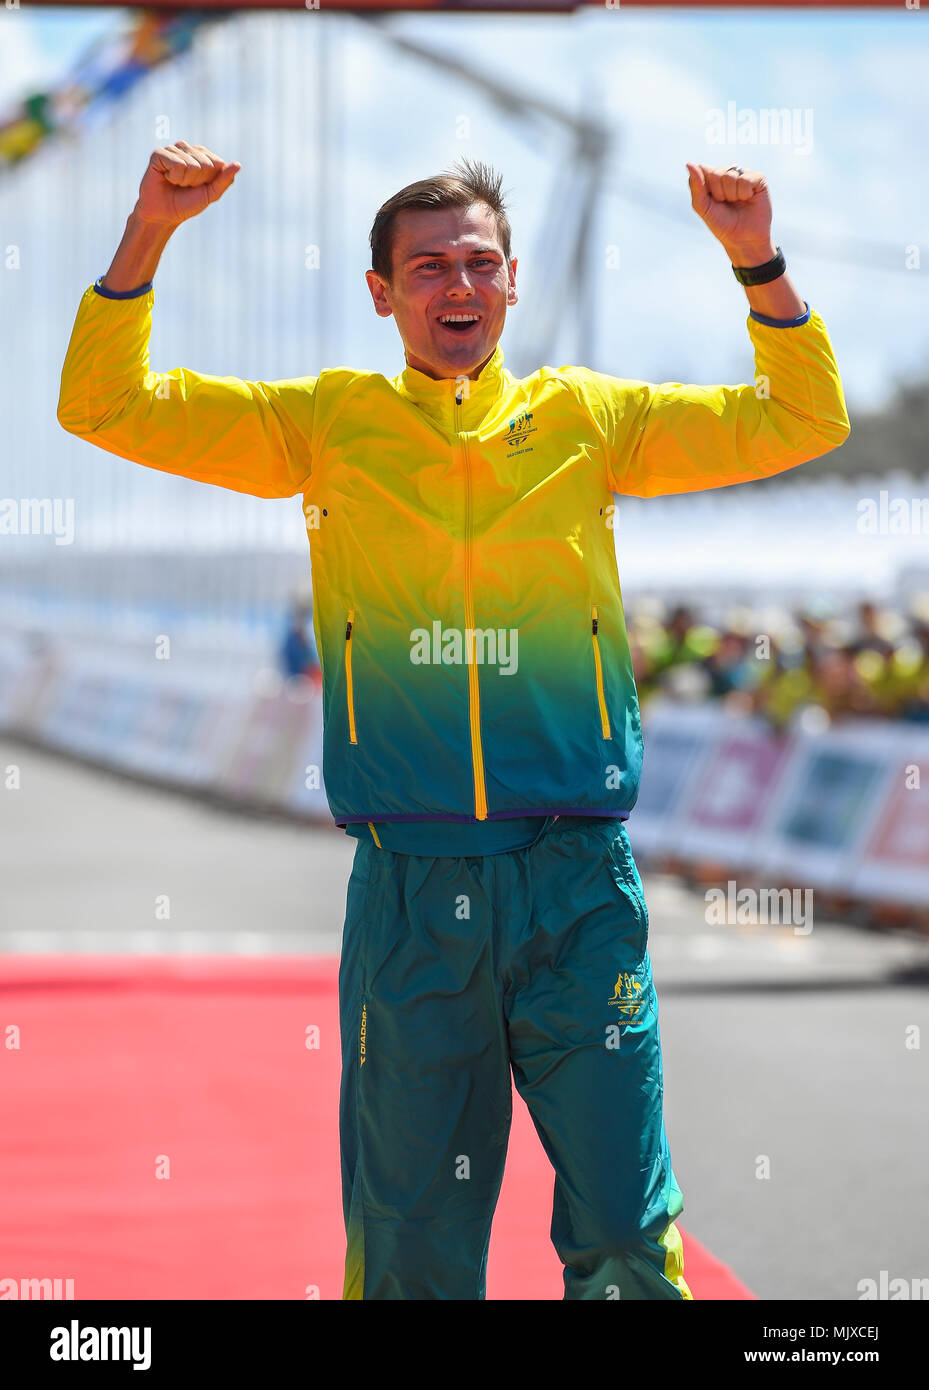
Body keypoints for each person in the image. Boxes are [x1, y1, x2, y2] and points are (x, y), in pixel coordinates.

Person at [57, 142, 850, 1301]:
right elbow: (104, 403)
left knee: (627, 1234)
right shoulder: (326, 424)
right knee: (412, 1246)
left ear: (513, 282)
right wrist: (149, 232)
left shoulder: (589, 418)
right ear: (381, 292)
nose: (457, 287)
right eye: (427, 268)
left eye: (479, 262)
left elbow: (804, 415)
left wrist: (755, 262)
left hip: (577, 883)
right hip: (413, 892)